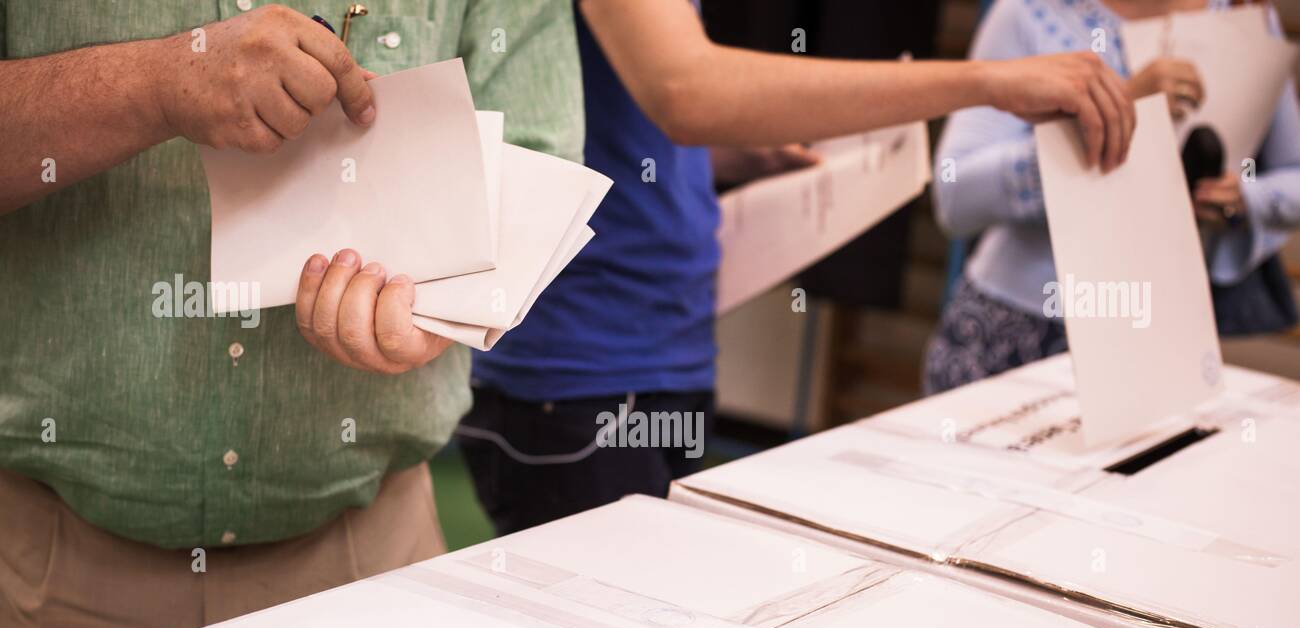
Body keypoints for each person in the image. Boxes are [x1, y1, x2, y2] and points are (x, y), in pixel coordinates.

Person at [0, 1, 584, 628]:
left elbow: (538, 156)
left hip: (374, 569)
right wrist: (155, 83)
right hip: (48, 578)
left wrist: (444, 311)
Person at [461, 0, 1136, 536]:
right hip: (578, 372)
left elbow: (615, 110)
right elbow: (687, 88)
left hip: (661, 353)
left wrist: (729, 159)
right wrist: (985, 81)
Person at [925, 0, 1300, 393]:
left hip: (1161, 342)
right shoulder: (1033, 11)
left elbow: (1292, 176)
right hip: (1019, 333)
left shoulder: (1245, 16)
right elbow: (954, 193)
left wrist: (1243, 197)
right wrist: (1102, 120)